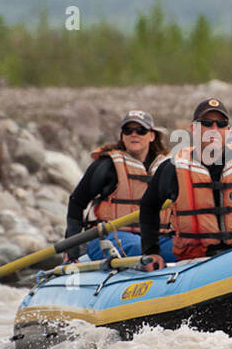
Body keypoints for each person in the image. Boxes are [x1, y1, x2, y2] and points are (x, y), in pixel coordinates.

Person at [139, 98, 232, 268]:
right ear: (193, 129)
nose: (214, 129)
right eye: (207, 123)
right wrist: (151, 251)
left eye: (221, 124)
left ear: (228, 131)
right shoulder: (173, 167)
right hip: (193, 263)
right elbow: (149, 206)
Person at [65, 110, 174, 261]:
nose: (134, 134)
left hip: (156, 238)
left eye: (141, 130)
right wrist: (71, 252)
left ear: (152, 136)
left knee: (184, 248)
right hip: (111, 237)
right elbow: (77, 203)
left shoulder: (167, 168)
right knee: (137, 247)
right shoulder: (107, 165)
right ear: (122, 136)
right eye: (128, 130)